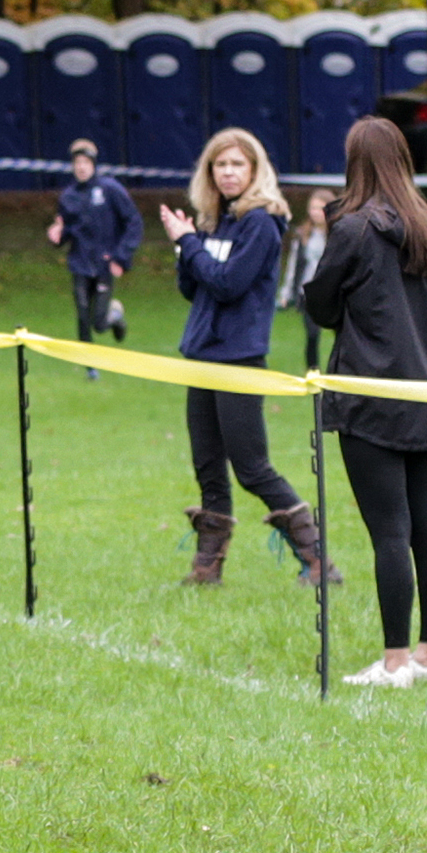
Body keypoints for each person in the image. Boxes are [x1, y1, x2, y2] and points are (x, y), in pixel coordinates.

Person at [303, 117, 427, 689]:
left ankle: (395, 663)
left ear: (355, 163)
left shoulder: (356, 229)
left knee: (391, 531)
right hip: (426, 389)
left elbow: (319, 304)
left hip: (371, 394)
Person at [158, 128, 338, 588]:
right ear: (209, 172)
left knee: (252, 467)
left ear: (255, 171)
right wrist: (187, 244)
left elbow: (227, 283)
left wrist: (188, 243)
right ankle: (206, 569)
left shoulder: (262, 222)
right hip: (200, 356)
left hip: (238, 359)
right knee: (207, 466)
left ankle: (319, 563)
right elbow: (192, 288)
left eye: (238, 164)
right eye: (221, 165)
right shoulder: (216, 220)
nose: (229, 172)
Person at [46, 138, 141, 379]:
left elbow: (133, 222)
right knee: (81, 313)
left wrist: (121, 256)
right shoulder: (68, 196)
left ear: (94, 164)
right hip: (79, 262)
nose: (81, 167)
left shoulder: (110, 189)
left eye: (86, 162)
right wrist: (56, 236)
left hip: (104, 263)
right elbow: (67, 231)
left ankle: (114, 316)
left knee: (98, 322)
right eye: (77, 162)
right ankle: (91, 367)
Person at [278, 188, 336, 372]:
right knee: (312, 334)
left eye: (320, 208)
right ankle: (313, 371)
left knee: (341, 335)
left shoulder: (338, 233)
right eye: (312, 208)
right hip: (308, 293)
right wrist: (286, 293)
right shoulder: (303, 234)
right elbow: (293, 266)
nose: (315, 213)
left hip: (332, 293)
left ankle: (340, 370)